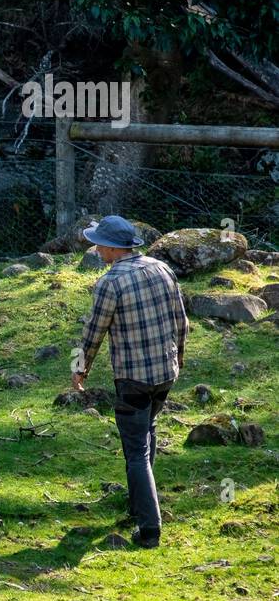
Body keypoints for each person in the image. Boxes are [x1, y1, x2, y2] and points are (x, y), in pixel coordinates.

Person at [71, 215, 188, 548]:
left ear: (111, 248)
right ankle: (138, 504)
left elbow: (92, 333)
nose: (95, 248)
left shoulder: (110, 282)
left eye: (98, 243)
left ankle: (150, 530)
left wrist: (80, 369)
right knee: (146, 431)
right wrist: (179, 358)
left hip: (133, 377)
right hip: (165, 374)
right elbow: (182, 321)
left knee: (135, 451)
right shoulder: (163, 269)